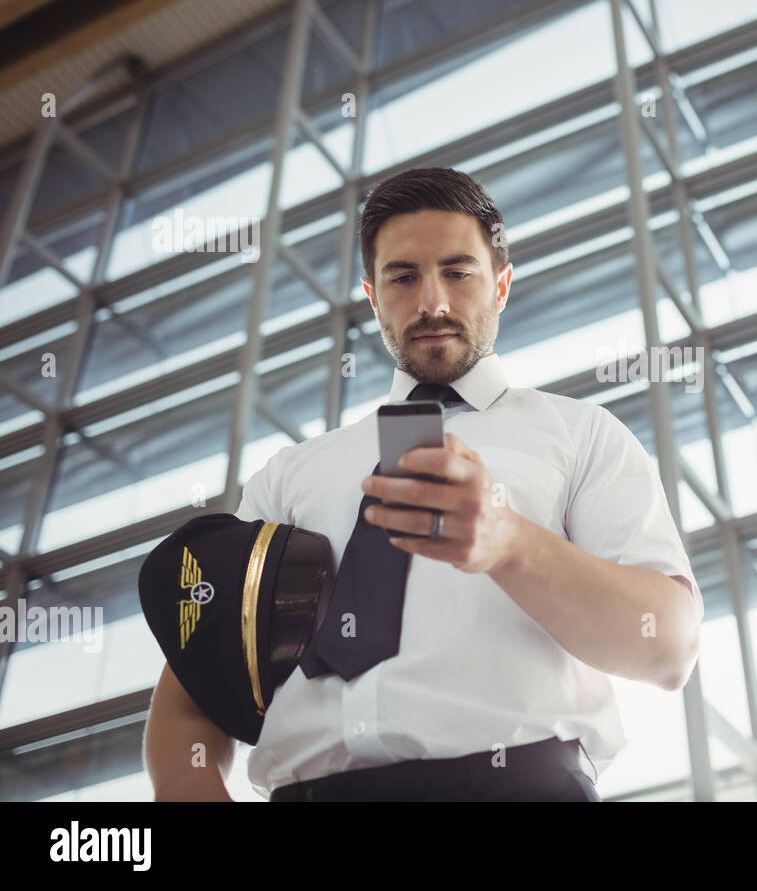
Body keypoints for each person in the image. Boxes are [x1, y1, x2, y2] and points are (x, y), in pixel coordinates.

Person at [143, 167, 704, 801]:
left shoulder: (581, 434)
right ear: (373, 295)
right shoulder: (288, 475)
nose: (432, 302)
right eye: (403, 277)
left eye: (458, 273)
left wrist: (510, 543)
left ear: (501, 285)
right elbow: (192, 692)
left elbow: (670, 645)